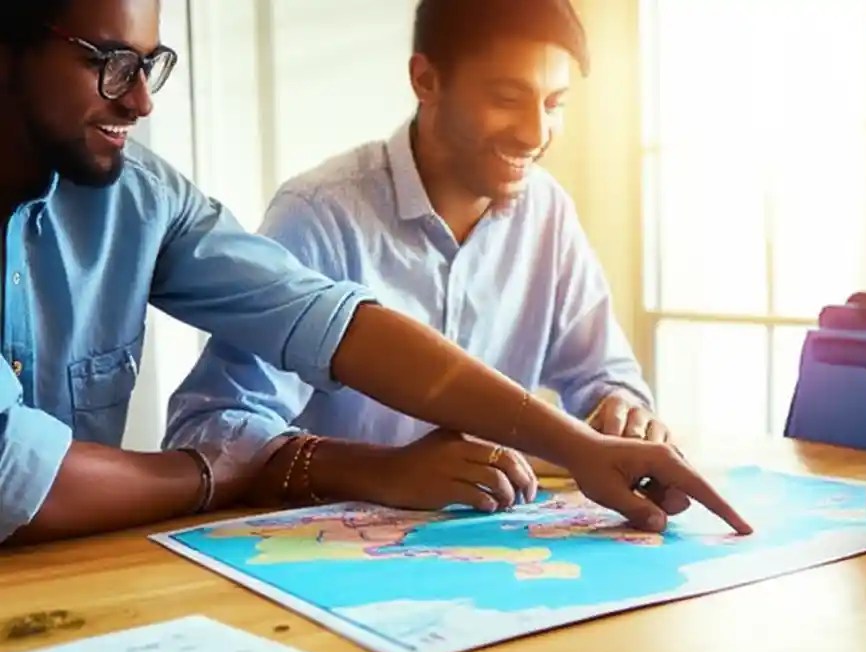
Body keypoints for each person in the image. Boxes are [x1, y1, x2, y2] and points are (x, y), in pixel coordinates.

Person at [0, 0, 751, 546]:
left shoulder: (143, 197)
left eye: (149, 66)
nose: (140, 100)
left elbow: (332, 320)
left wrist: (584, 443)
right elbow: (16, 470)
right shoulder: (319, 208)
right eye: (108, 63)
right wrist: (225, 473)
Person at [164, 0, 671, 517]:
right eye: (506, 98)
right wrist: (379, 470)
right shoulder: (320, 215)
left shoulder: (548, 212)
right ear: (425, 81)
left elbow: (606, 377)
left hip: (492, 558)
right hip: (330, 562)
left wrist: (624, 412)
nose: (536, 134)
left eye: (555, 104)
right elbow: (212, 428)